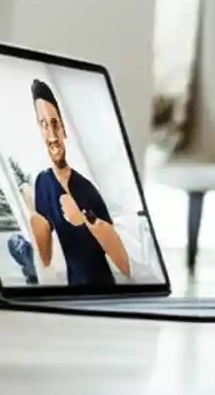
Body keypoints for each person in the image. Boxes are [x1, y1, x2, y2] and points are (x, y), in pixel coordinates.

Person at [19, 79, 131, 286]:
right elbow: (46, 257)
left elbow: (124, 264)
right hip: (74, 288)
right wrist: (35, 216)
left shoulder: (86, 188)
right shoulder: (43, 182)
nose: (52, 135)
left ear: (64, 130)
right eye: (44, 126)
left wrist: (86, 220)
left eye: (55, 124)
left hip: (102, 287)